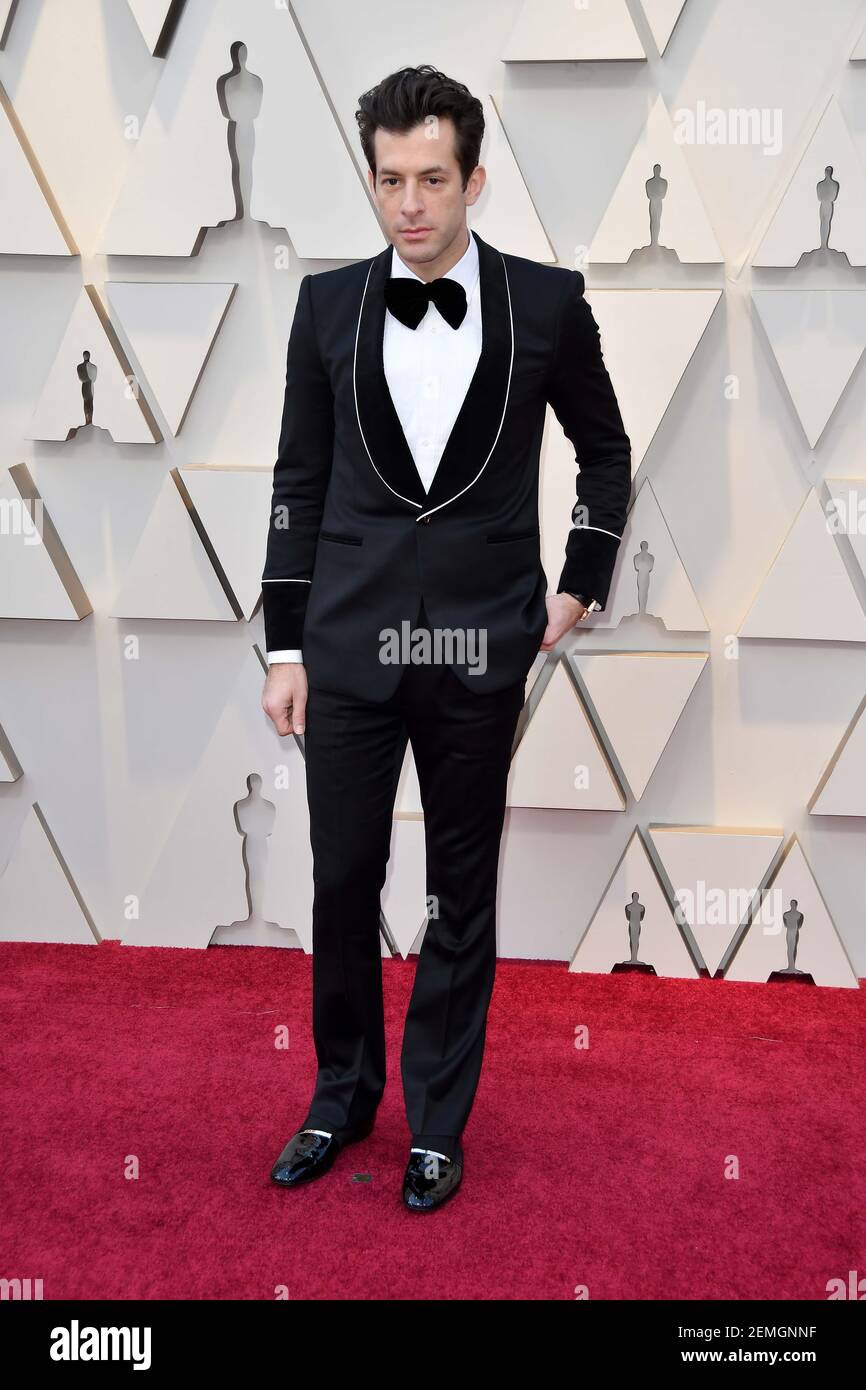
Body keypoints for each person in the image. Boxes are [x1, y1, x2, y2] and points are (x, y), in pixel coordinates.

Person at [260, 64, 631, 1211]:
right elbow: (298, 481)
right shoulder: (326, 306)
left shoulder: (548, 303)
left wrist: (576, 585)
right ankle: (338, 1093)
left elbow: (604, 453)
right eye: (388, 181)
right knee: (340, 881)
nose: (408, 204)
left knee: (458, 891)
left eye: (431, 178)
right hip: (346, 646)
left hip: (480, 646)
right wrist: (284, 646)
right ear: (369, 180)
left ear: (474, 178)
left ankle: (436, 1119)